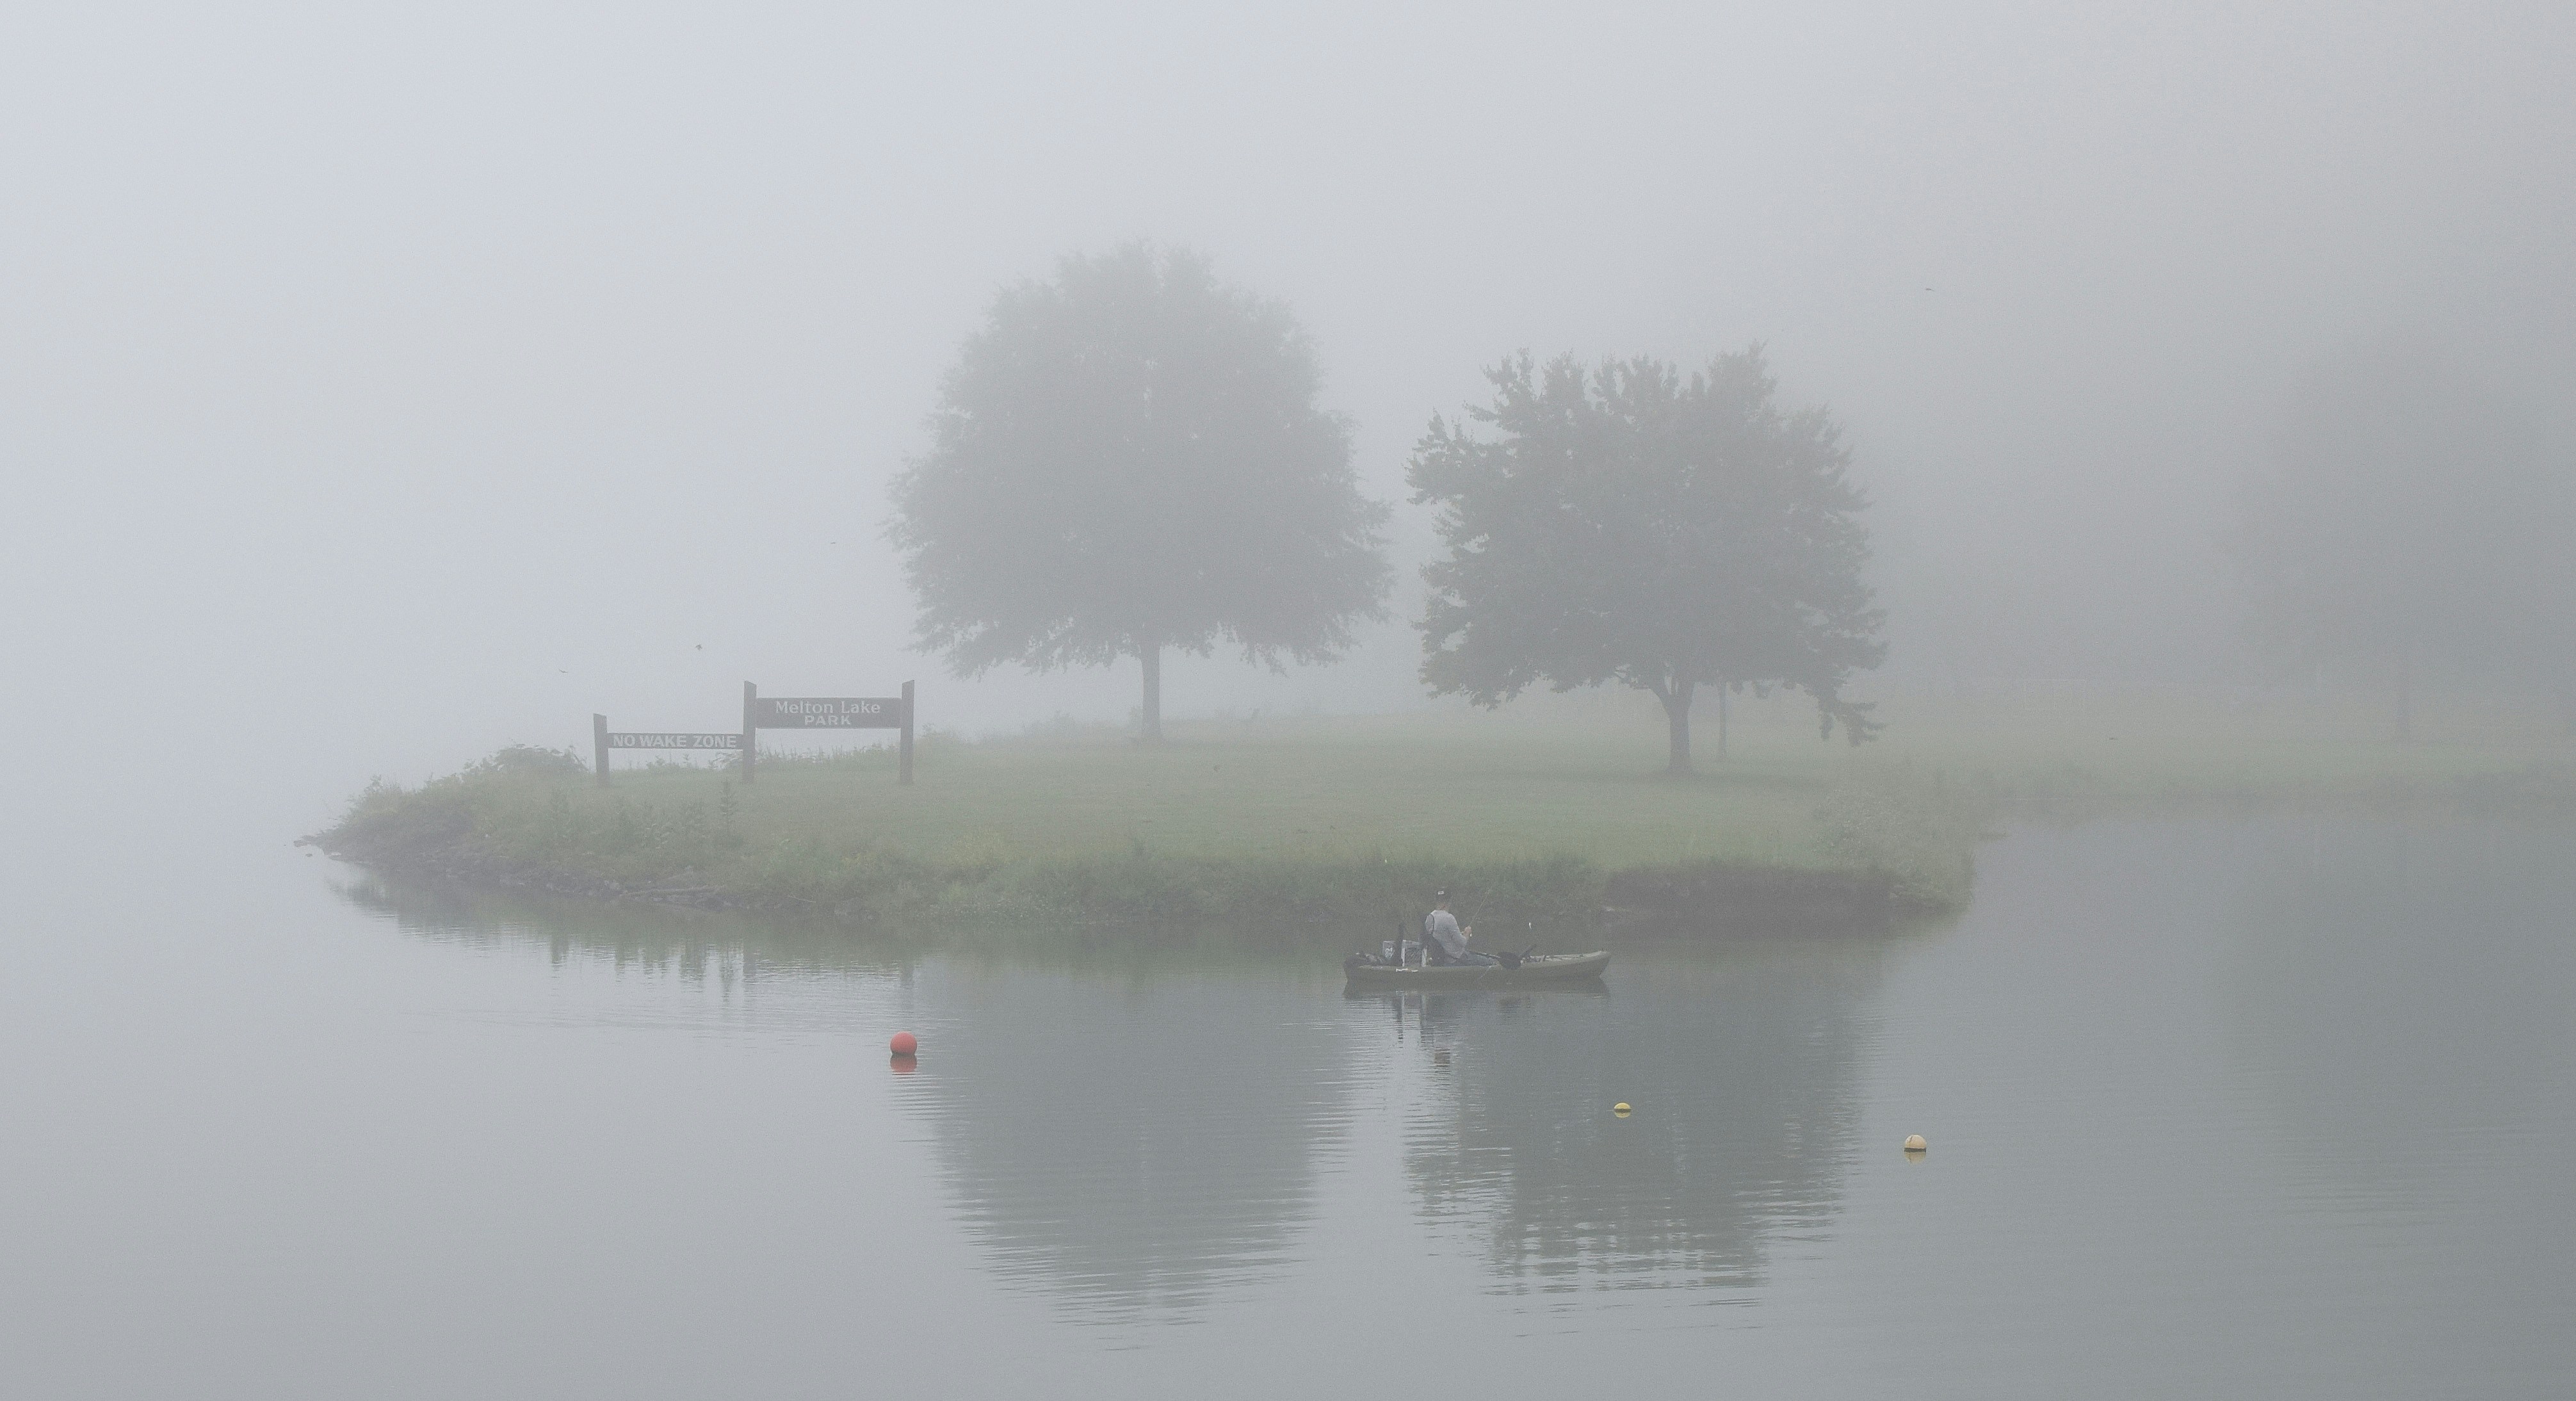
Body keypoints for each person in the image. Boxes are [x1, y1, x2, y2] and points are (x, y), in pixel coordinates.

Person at [1423, 891, 1498, 967]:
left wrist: (1460, 934)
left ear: (1436, 901)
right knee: (1491, 962)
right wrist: (1467, 934)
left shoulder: (1429, 917)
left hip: (1440, 959)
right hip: (1456, 959)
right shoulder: (1449, 918)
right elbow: (1462, 943)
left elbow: (1441, 936)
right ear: (1449, 902)